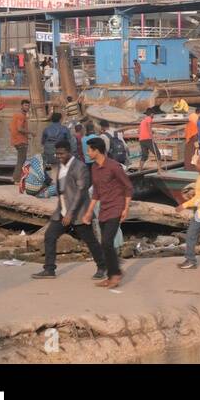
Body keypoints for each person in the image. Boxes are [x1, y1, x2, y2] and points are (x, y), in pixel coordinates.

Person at [31, 141, 107, 280]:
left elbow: (81, 191)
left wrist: (70, 213)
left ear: (69, 152)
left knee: (90, 240)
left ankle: (102, 267)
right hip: (62, 211)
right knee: (50, 236)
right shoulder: (61, 166)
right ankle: (49, 269)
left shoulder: (80, 167)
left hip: (78, 213)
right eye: (57, 154)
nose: (59, 156)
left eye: (61, 153)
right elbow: (61, 188)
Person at [82, 137, 133, 288]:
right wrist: (89, 212)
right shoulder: (94, 168)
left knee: (106, 242)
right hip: (104, 209)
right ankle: (113, 274)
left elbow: (128, 187)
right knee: (105, 244)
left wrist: (126, 208)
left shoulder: (114, 166)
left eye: (89, 150)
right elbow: (96, 192)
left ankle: (115, 275)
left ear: (97, 150)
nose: (87, 152)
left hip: (116, 207)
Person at [10, 100, 33, 183]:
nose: (27, 107)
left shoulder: (17, 115)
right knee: (21, 161)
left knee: (21, 160)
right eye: (25, 105)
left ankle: (16, 178)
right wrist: (31, 132)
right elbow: (19, 129)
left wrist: (27, 136)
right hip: (21, 142)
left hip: (17, 140)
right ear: (22, 106)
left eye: (28, 105)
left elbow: (11, 128)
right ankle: (16, 179)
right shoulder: (21, 116)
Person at [183, 106, 199, 171]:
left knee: (187, 157)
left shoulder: (188, 124)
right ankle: (192, 169)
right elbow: (195, 136)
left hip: (188, 143)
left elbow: (187, 134)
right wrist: (197, 146)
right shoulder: (194, 125)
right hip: (193, 143)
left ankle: (187, 168)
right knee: (193, 155)